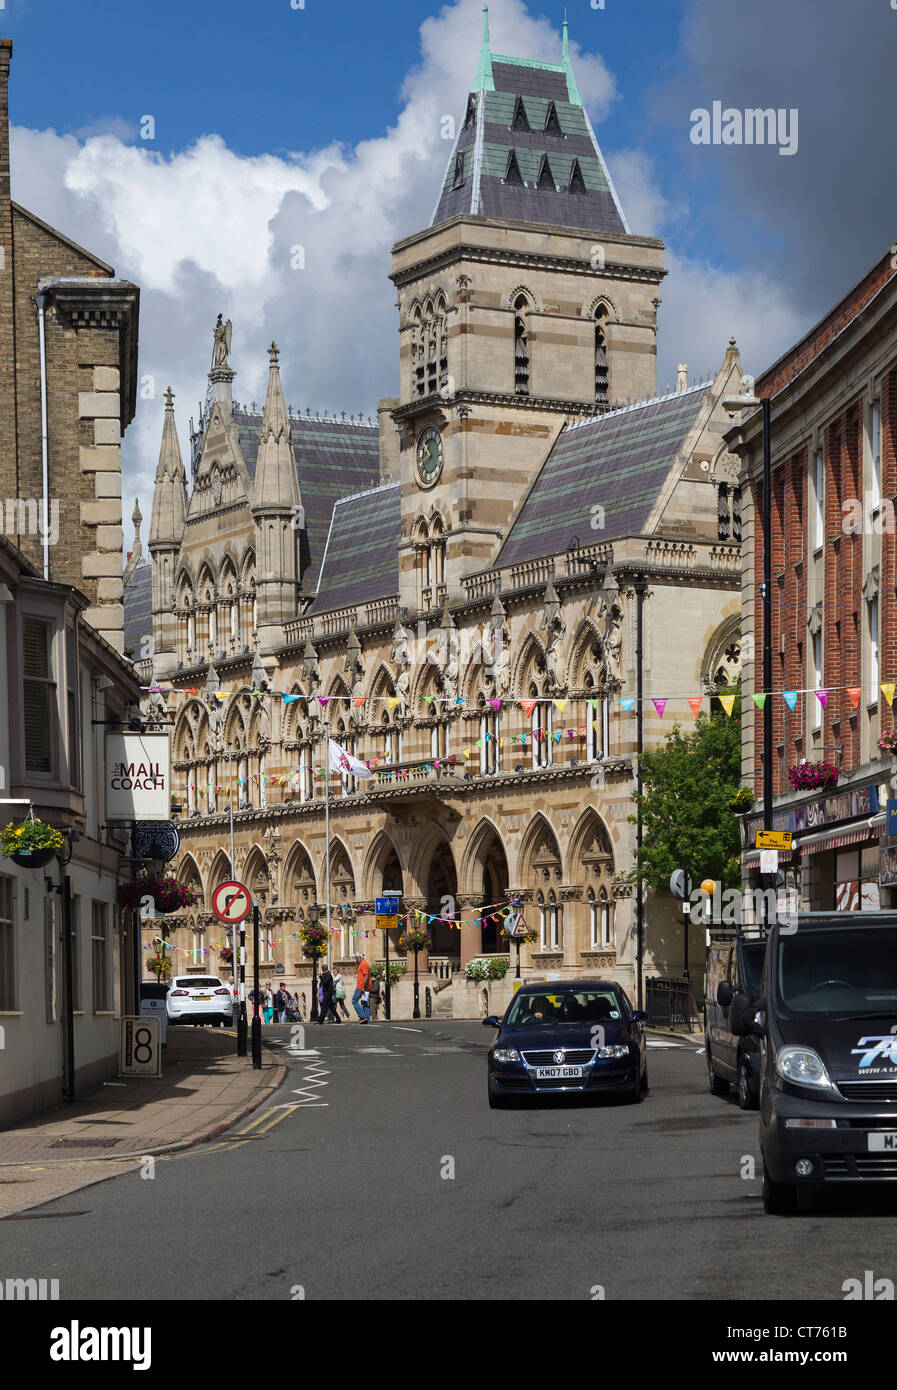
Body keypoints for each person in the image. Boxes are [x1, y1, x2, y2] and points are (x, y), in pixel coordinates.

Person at [353, 954, 372, 1023]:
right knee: (364, 1003)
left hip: (361, 987)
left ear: (360, 957)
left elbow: (366, 976)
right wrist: (357, 965)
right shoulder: (362, 964)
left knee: (354, 1001)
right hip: (365, 987)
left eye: (356, 958)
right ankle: (368, 1020)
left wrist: (363, 987)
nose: (356, 959)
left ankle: (362, 1016)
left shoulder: (364, 964)